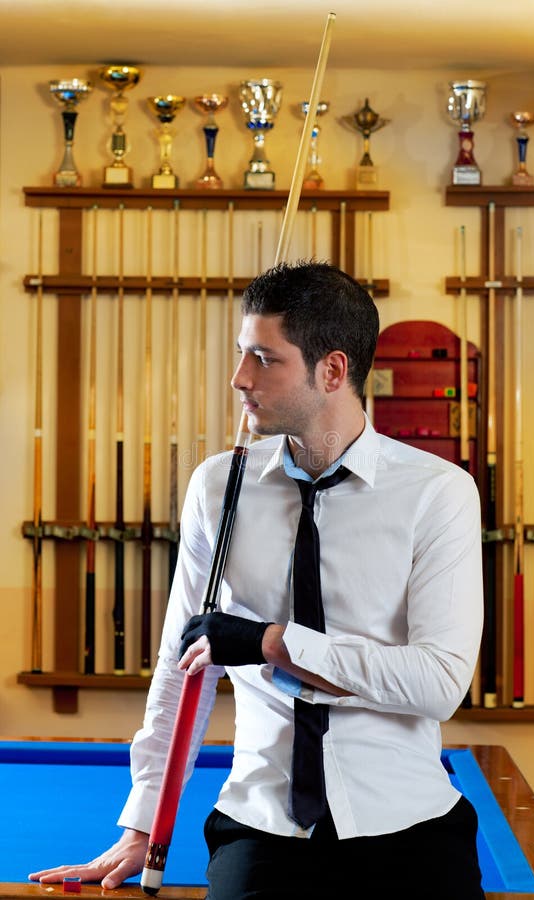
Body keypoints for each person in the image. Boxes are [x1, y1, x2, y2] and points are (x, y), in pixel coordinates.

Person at [30, 261, 485, 899]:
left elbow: (438, 684)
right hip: (260, 829)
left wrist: (273, 643)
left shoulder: (438, 494)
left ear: (332, 370)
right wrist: (142, 826)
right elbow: (179, 667)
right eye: (243, 353)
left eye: (264, 359)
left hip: (407, 825)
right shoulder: (218, 486)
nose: (239, 378)